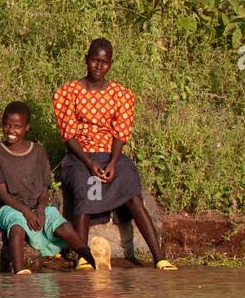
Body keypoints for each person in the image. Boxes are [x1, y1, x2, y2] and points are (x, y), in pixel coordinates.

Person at [52, 38, 175, 270]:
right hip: (81, 156)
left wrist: (113, 162)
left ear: (111, 64)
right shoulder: (68, 93)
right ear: (86, 60)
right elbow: (69, 135)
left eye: (104, 62)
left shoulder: (121, 94)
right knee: (85, 190)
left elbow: (120, 132)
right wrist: (89, 163)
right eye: (95, 61)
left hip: (111, 155)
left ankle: (160, 257)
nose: (99, 66)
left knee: (131, 190)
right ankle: (84, 257)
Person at [0, 101, 104, 275]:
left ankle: (91, 259)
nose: (11, 130)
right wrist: (27, 212)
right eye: (7, 125)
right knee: (17, 230)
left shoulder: (38, 152)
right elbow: (3, 194)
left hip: (38, 205)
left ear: (27, 128)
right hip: (10, 207)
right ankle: (20, 274)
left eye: (17, 126)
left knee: (63, 227)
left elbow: (44, 187)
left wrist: (41, 209)